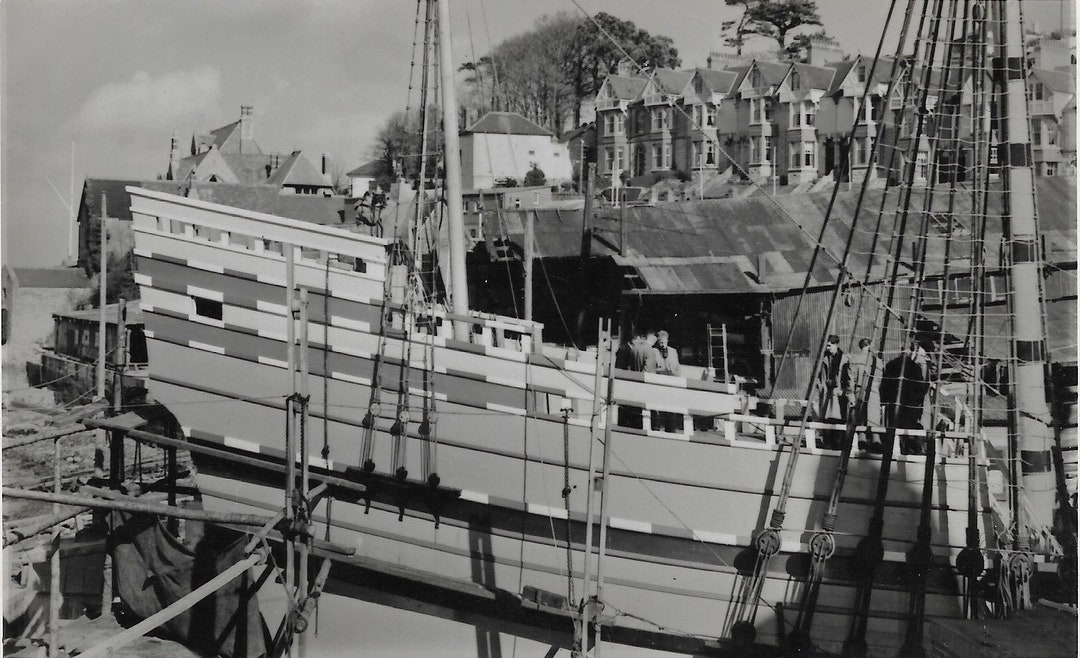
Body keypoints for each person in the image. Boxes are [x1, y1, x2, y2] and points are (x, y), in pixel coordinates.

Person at [880, 340, 932, 454]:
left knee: (893, 429)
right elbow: (919, 387)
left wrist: (883, 400)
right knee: (908, 431)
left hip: (893, 404)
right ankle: (908, 451)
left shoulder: (890, 365)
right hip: (910, 405)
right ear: (911, 351)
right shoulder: (915, 367)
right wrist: (918, 399)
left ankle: (891, 451)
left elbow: (885, 386)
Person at [817, 334, 851, 449]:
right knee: (827, 418)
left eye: (830, 345)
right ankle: (828, 442)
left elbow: (847, 376)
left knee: (838, 417)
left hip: (838, 391)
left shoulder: (843, 358)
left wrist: (844, 389)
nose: (828, 348)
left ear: (836, 344)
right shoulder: (825, 358)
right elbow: (820, 374)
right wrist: (820, 385)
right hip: (827, 391)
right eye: (827, 346)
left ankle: (839, 443)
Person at [848, 338, 880, 449]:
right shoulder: (877, 361)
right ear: (869, 346)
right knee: (874, 417)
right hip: (873, 391)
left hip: (859, 390)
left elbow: (851, 380)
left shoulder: (853, 359)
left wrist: (851, 394)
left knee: (860, 417)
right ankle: (876, 440)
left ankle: (861, 439)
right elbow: (880, 379)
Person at [651, 330, 683, 432]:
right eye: (660, 342)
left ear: (667, 341)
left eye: (664, 342)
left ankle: (670, 428)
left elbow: (677, 367)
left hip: (671, 382)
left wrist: (676, 376)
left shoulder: (673, 351)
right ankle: (656, 426)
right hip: (659, 382)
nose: (663, 345)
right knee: (657, 406)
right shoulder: (653, 351)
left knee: (670, 407)